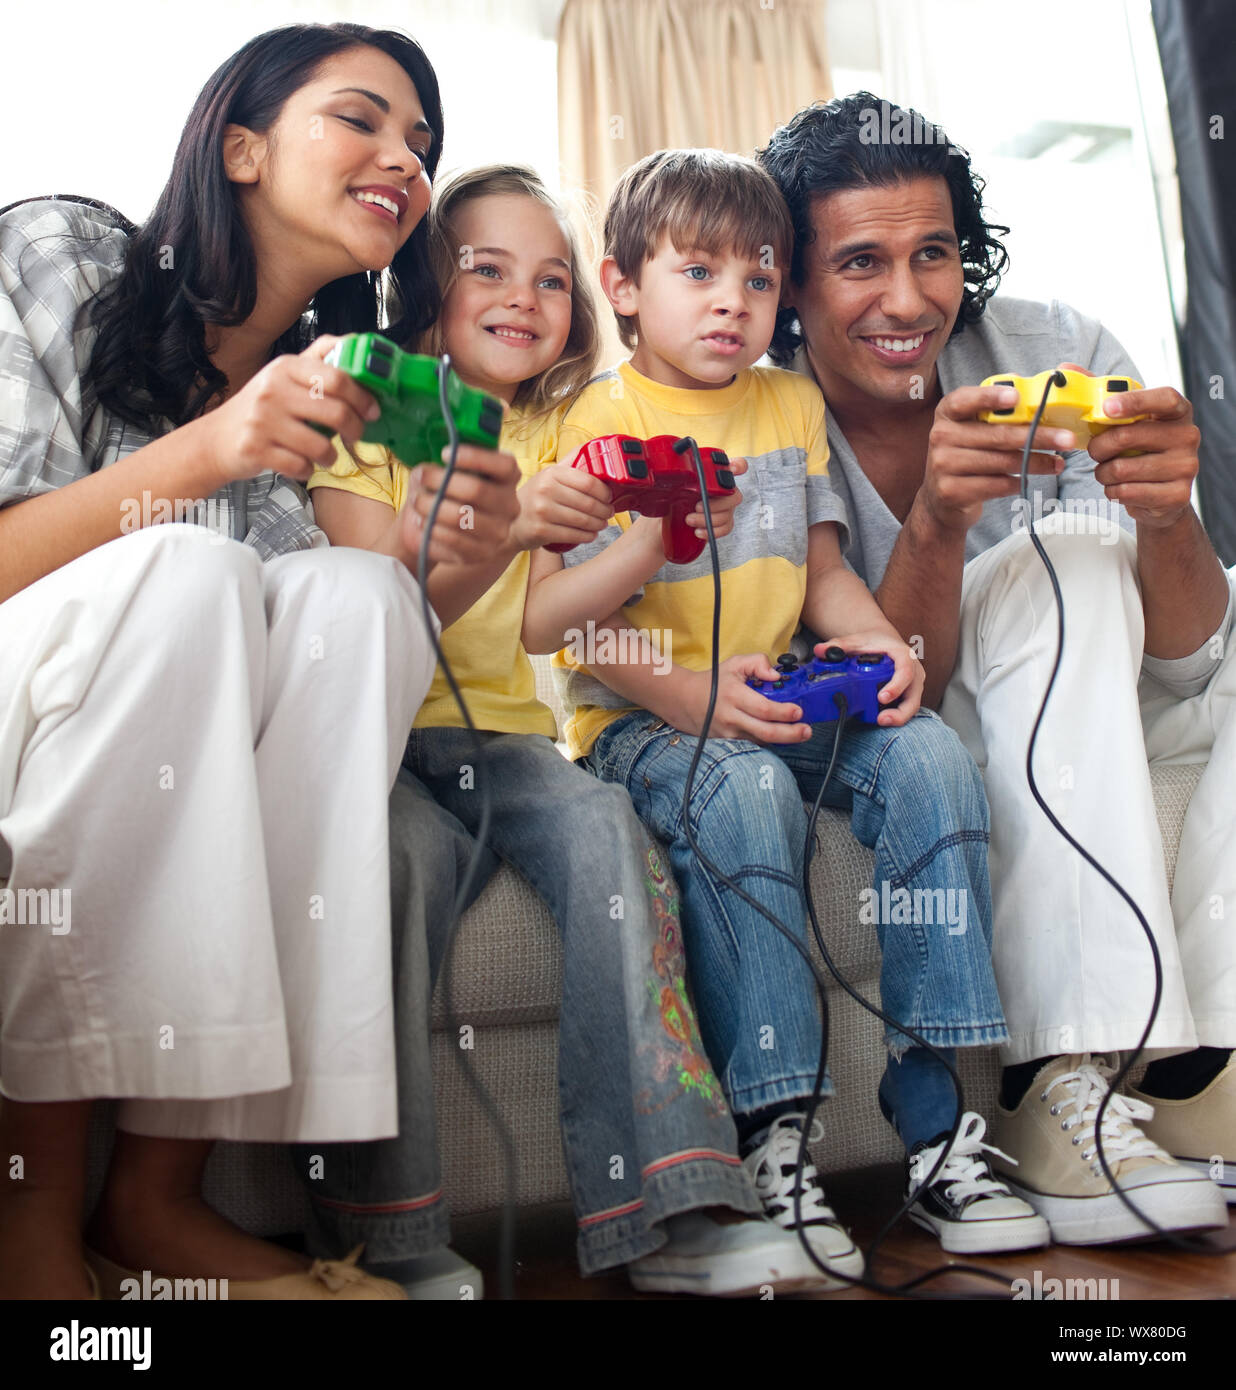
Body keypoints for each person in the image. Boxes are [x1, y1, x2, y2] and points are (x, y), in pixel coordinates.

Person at [0, 23, 522, 1301]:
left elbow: (348, 671)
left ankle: (156, 1198)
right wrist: (204, 454)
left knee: (353, 598)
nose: (406, 159)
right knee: (192, 568)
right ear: (240, 145)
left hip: (136, 705)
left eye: (423, 142)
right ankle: (31, 1218)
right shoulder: (61, 254)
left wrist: (466, 555)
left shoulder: (312, 446)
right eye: (364, 118)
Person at [300, 162, 845, 1298]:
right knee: (392, 861)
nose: (522, 296)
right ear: (425, 286)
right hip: (384, 742)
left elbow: (555, 622)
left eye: (549, 279)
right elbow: (374, 613)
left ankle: (674, 1204)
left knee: (607, 833)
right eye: (486, 270)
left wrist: (659, 535)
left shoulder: (555, 430)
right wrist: (494, 530)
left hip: (506, 745)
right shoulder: (370, 420)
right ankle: (387, 1234)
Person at [523, 148, 1051, 1266]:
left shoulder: (788, 400)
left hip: (772, 692)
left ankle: (937, 1126)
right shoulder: (591, 421)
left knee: (930, 758)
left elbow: (820, 575)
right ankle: (777, 1135)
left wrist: (879, 647)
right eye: (699, 273)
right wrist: (683, 693)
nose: (733, 301)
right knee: (745, 786)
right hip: (638, 723)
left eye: (759, 279)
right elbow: (556, 622)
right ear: (621, 284)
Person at [758, 92, 1234, 1243]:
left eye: (935, 254)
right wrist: (934, 521)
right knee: (1061, 554)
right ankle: (1055, 1084)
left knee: (1095, 558)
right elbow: (892, 685)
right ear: (790, 284)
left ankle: (1207, 1092)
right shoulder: (763, 415)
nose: (910, 300)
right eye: (861, 262)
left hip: (1111, 687)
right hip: (929, 720)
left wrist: (1169, 518)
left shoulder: (1053, 345)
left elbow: (1190, 661)